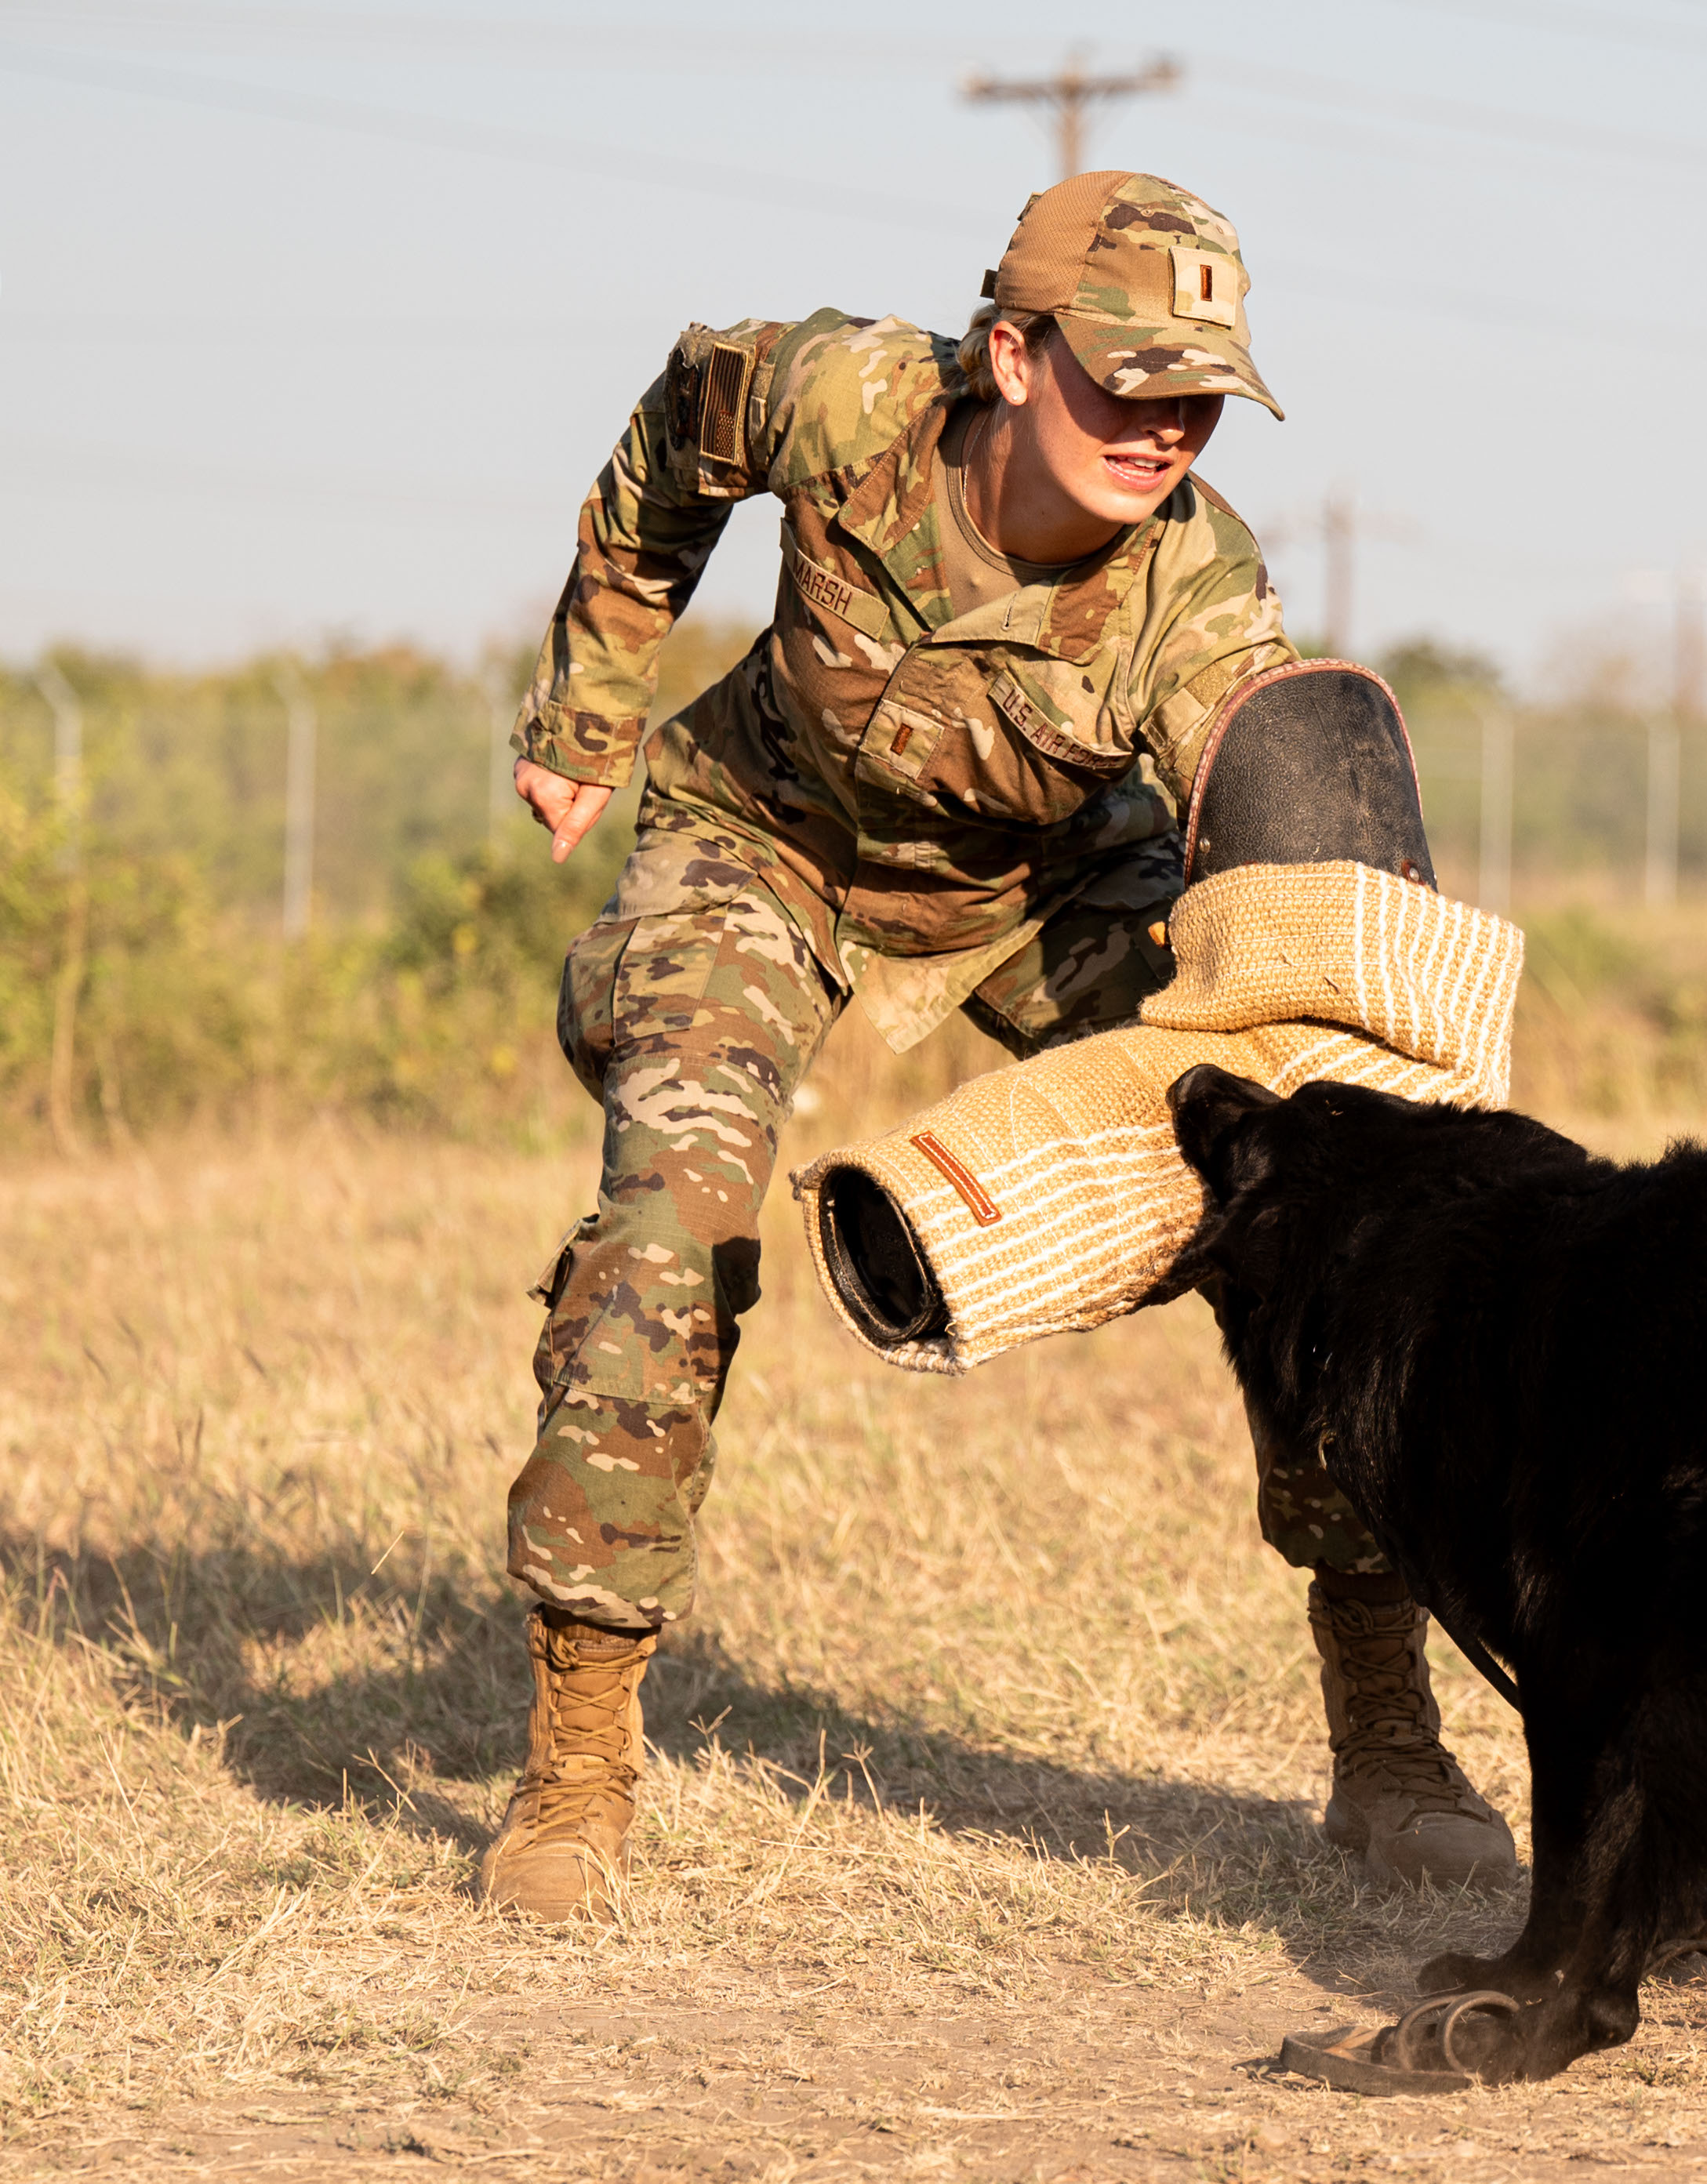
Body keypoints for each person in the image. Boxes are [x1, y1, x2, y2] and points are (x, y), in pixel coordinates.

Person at [484, 171, 1516, 1924]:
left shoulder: (1196, 584)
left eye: (1202, 399)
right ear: (1016, 356)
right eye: (1129, 383)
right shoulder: (841, 398)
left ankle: (1388, 1735)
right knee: (671, 1223)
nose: (1165, 429)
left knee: (1329, 1212)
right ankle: (579, 1756)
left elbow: (1278, 821)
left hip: (1050, 885)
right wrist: (591, 697)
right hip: (764, 844)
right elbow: (672, 436)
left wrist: (1360, 1041)